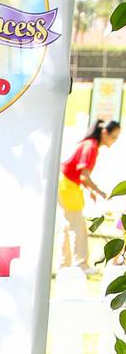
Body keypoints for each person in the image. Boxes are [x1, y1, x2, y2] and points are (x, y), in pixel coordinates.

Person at [58, 117, 121, 274]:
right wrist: (99, 191)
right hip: (67, 186)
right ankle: (81, 265)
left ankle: (64, 265)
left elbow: (81, 176)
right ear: (104, 133)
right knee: (78, 227)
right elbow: (84, 176)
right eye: (113, 137)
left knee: (68, 227)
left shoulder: (90, 145)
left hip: (68, 185)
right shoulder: (91, 146)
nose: (113, 141)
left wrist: (91, 190)